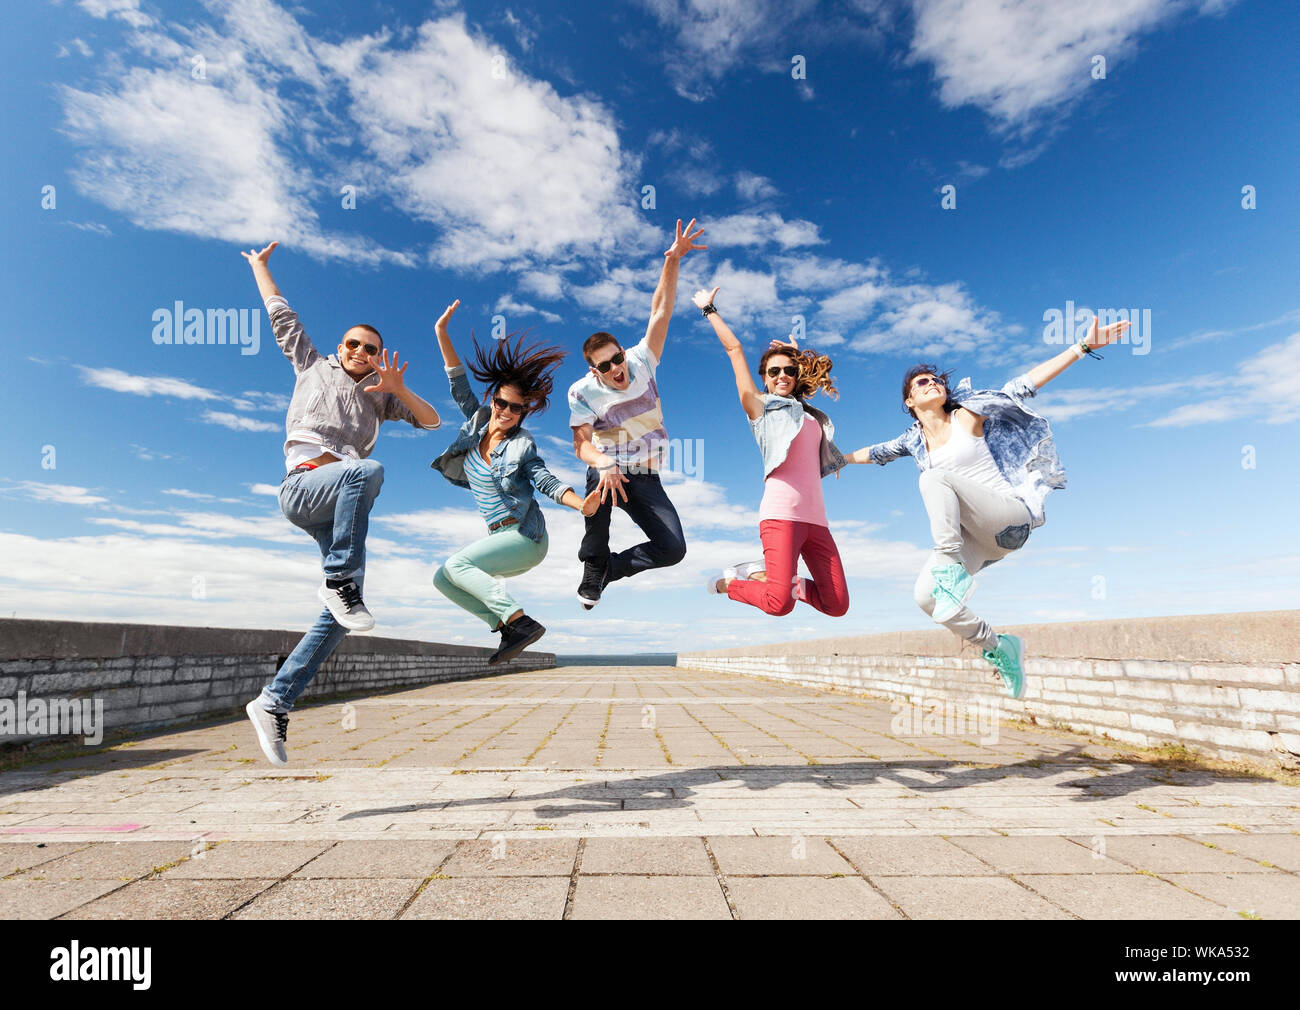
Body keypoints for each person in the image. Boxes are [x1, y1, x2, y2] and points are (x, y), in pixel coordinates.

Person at [845, 316, 1132, 698]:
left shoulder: (968, 414)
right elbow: (873, 453)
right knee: (925, 597)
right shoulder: (913, 442)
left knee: (933, 480)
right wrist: (834, 461)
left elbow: (1023, 386)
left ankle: (950, 569)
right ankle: (999, 647)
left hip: (1010, 519)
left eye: (936, 379)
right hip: (978, 540)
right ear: (909, 401)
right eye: (922, 382)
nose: (933, 383)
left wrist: (1081, 348)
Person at [240, 241, 441, 766]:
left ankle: (273, 701)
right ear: (341, 346)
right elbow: (281, 314)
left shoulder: (381, 394)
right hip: (305, 485)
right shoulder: (312, 365)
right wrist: (262, 268)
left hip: (338, 502)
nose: (361, 353)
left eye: (371, 349)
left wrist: (399, 386)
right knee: (367, 471)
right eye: (354, 344)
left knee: (343, 617)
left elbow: (432, 421)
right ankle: (340, 579)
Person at [430, 300, 601, 662]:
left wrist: (580, 504)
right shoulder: (476, 422)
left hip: (526, 538)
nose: (506, 412)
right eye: (502, 403)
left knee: (459, 565)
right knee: (443, 578)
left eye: (516, 408)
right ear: (493, 400)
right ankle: (506, 627)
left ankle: (519, 621)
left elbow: (545, 480)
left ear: (525, 411)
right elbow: (457, 381)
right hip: (500, 539)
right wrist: (442, 333)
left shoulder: (522, 444)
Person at [569, 217, 706, 610]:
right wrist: (605, 462)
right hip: (610, 469)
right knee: (598, 474)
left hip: (646, 476)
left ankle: (613, 567)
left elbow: (660, 311)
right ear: (594, 370)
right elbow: (581, 445)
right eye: (606, 366)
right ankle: (594, 563)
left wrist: (673, 259)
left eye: (617, 358)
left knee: (673, 548)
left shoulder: (642, 360)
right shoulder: (582, 392)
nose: (617, 369)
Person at [695, 286, 851, 619]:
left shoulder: (807, 413)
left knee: (836, 604)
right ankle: (730, 583)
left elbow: (815, 436)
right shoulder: (760, 409)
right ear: (764, 379)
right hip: (780, 516)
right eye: (774, 372)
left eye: (789, 371)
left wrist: (796, 353)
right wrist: (709, 309)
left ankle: (767, 575)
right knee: (779, 604)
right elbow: (735, 349)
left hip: (816, 520)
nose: (782, 375)